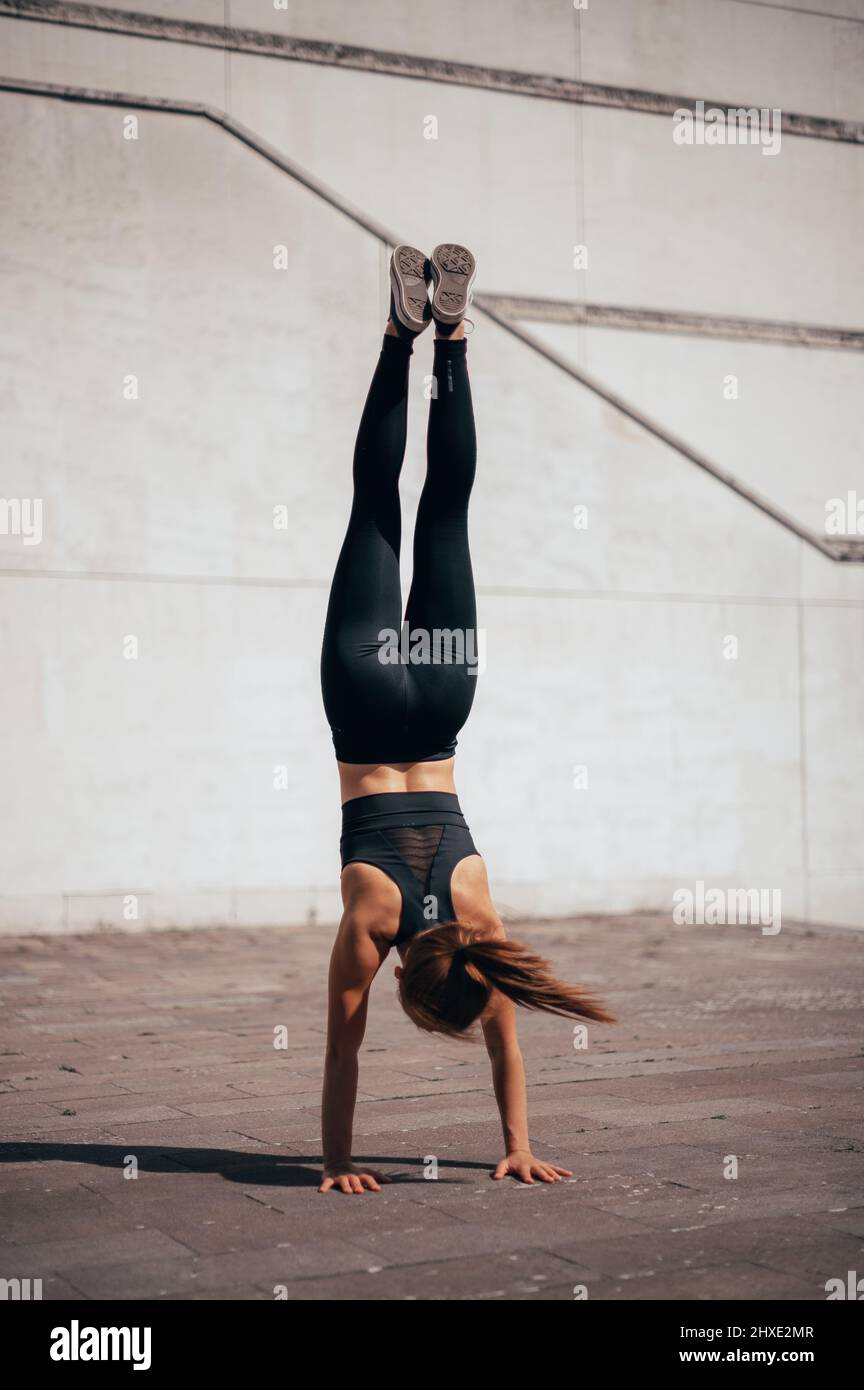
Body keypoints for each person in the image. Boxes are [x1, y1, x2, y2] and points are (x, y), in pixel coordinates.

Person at [318, 244, 614, 1194]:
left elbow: (507, 1052)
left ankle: (449, 337)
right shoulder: (373, 924)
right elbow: (341, 1058)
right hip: (366, 705)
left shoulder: (486, 936)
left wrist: (521, 1141)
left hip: (443, 701)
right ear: (409, 980)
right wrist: (335, 1164)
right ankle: (399, 337)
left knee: (447, 515)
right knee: (376, 511)